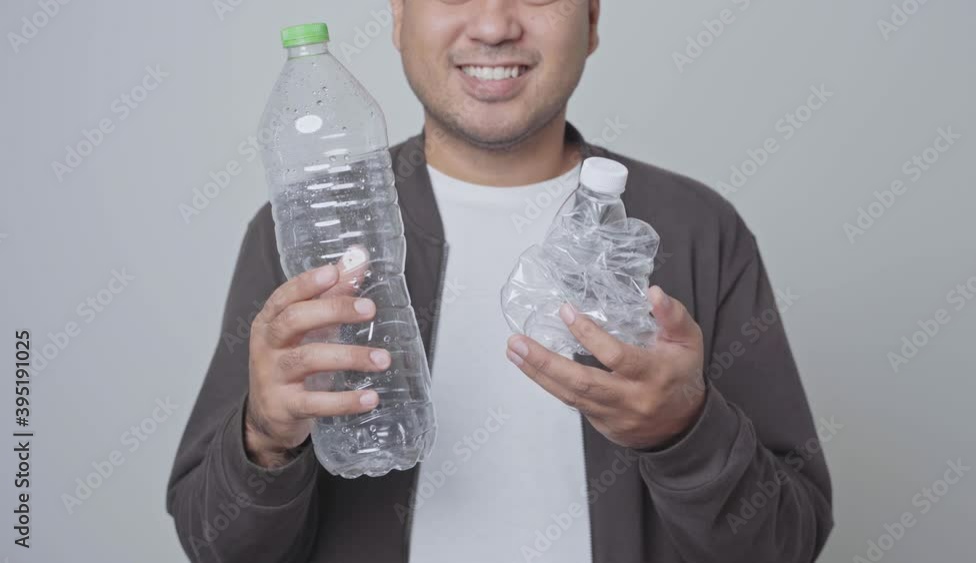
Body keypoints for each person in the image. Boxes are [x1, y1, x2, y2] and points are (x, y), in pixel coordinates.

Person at [167, 1, 833, 562]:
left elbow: (789, 540)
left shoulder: (692, 230)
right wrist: (264, 438)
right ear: (399, 16)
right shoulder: (305, 234)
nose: (492, 26)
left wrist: (686, 430)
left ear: (593, 18)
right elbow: (215, 544)